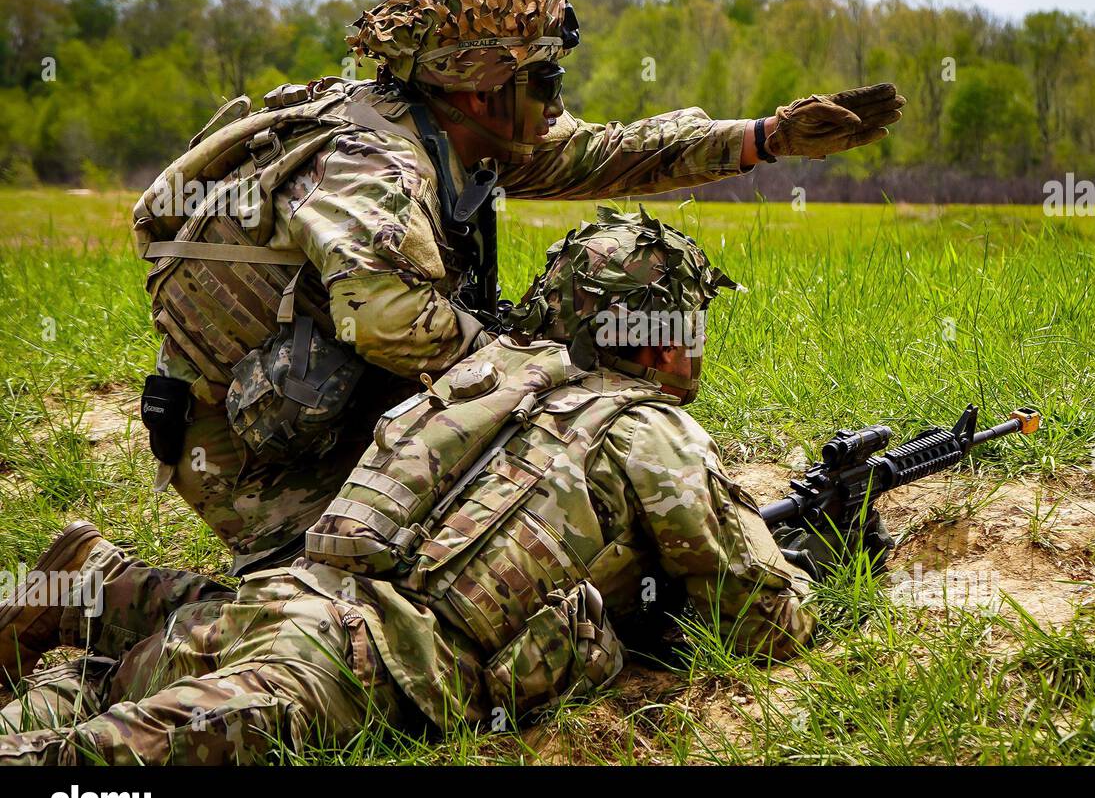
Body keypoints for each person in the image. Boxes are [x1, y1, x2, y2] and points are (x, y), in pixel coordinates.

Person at [0, 210, 815, 765]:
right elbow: (761, 621)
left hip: (286, 596)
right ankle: (87, 617)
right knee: (88, 776)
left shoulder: (492, 373)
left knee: (108, 686)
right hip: (348, 667)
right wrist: (818, 566)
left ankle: (99, 588)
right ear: (657, 337)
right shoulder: (650, 430)